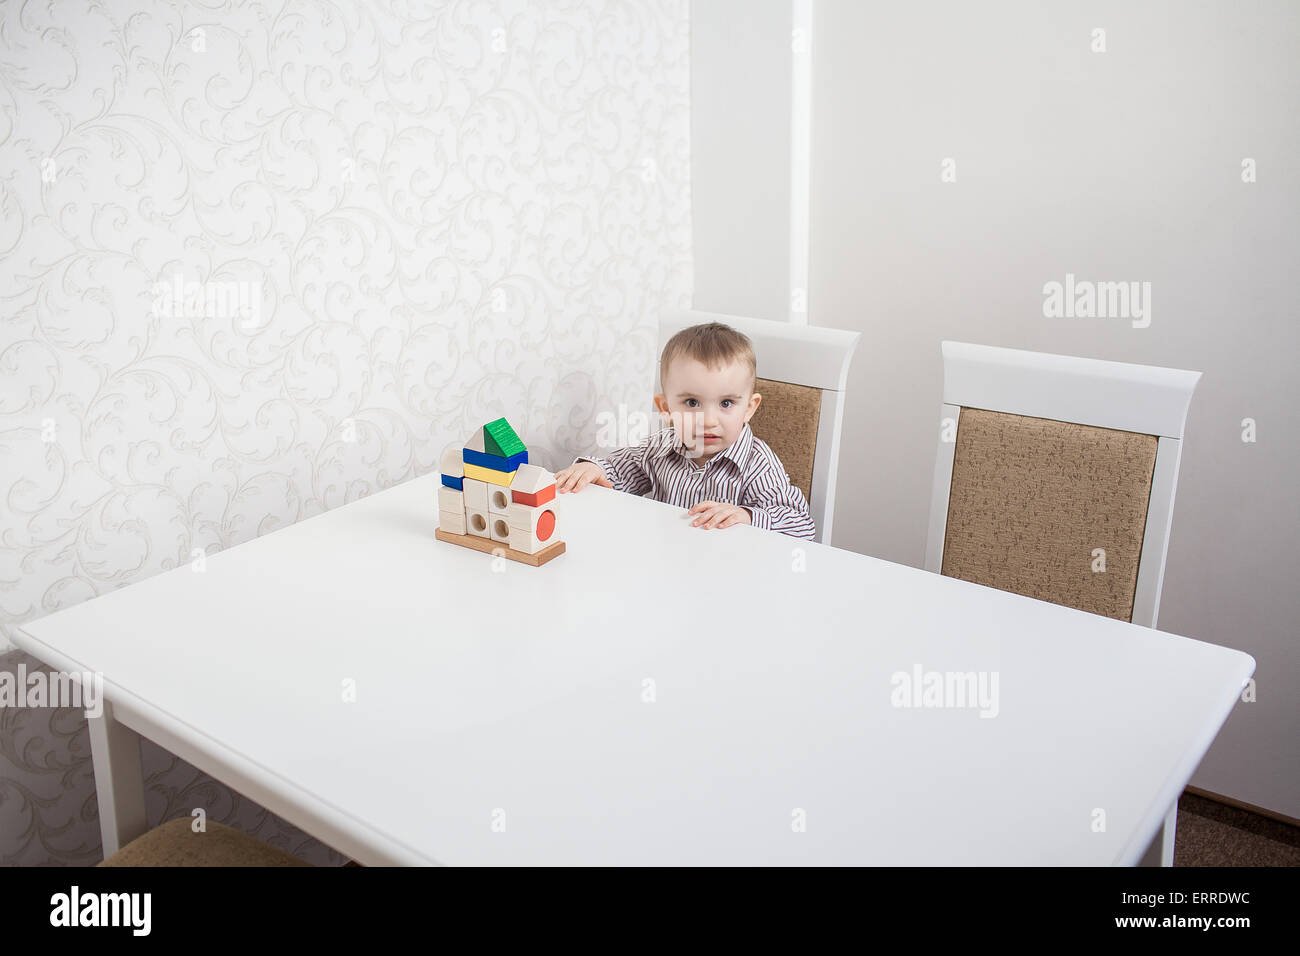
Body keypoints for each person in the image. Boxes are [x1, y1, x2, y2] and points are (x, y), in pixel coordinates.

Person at [554, 321, 816, 539]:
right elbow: (619, 471)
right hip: (666, 564)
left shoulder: (757, 463)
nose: (708, 420)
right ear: (665, 408)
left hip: (730, 575)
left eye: (726, 403)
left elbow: (802, 525)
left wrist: (747, 516)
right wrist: (593, 469)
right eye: (692, 403)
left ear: (749, 408)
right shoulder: (660, 447)